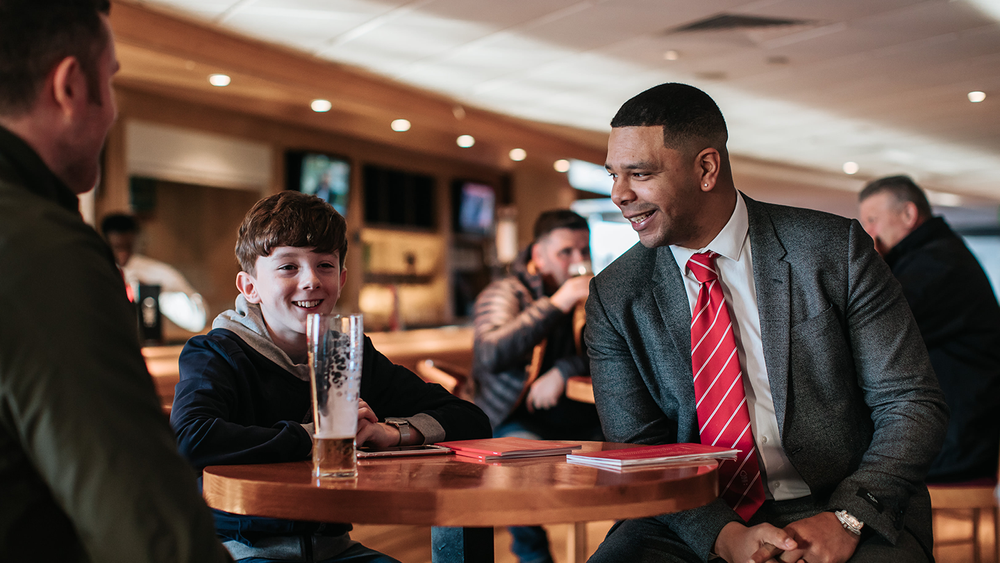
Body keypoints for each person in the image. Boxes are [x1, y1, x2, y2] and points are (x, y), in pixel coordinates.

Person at [586, 83, 948, 563]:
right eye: (613, 175)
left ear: (707, 168)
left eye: (640, 173)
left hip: (842, 502)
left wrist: (847, 517)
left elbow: (909, 401)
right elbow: (638, 447)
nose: (619, 194)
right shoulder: (614, 293)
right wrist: (723, 535)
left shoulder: (833, 249)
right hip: (691, 514)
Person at [0, 1, 232, 561]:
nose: (114, 109)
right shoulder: (43, 249)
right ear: (71, 85)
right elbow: (152, 531)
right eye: (111, 80)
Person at [171, 191, 492, 563]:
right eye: (288, 267)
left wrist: (392, 433)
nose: (311, 280)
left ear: (340, 278)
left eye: (324, 265)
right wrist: (319, 437)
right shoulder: (217, 353)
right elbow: (190, 440)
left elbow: (472, 420)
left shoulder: (347, 352)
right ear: (250, 287)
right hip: (243, 552)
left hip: (336, 550)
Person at [472, 209, 603, 563]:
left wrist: (563, 370)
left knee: (641, 445)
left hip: (576, 413)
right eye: (566, 252)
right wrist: (557, 303)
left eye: (583, 251)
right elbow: (490, 354)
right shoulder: (505, 292)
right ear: (538, 255)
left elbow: (607, 353)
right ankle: (535, 557)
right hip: (513, 415)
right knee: (518, 464)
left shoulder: (589, 298)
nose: (578, 261)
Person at [859, 175, 1000, 483]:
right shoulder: (932, 256)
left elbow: (871, 330)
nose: (869, 233)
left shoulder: (937, 265)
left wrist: (868, 267)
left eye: (873, 220)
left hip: (957, 442)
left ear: (909, 215)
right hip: (960, 432)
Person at [100, 212, 208, 333]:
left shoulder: (159, 273)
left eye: (128, 247)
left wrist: (154, 294)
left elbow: (198, 319)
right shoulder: (98, 273)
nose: (123, 253)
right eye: (117, 247)